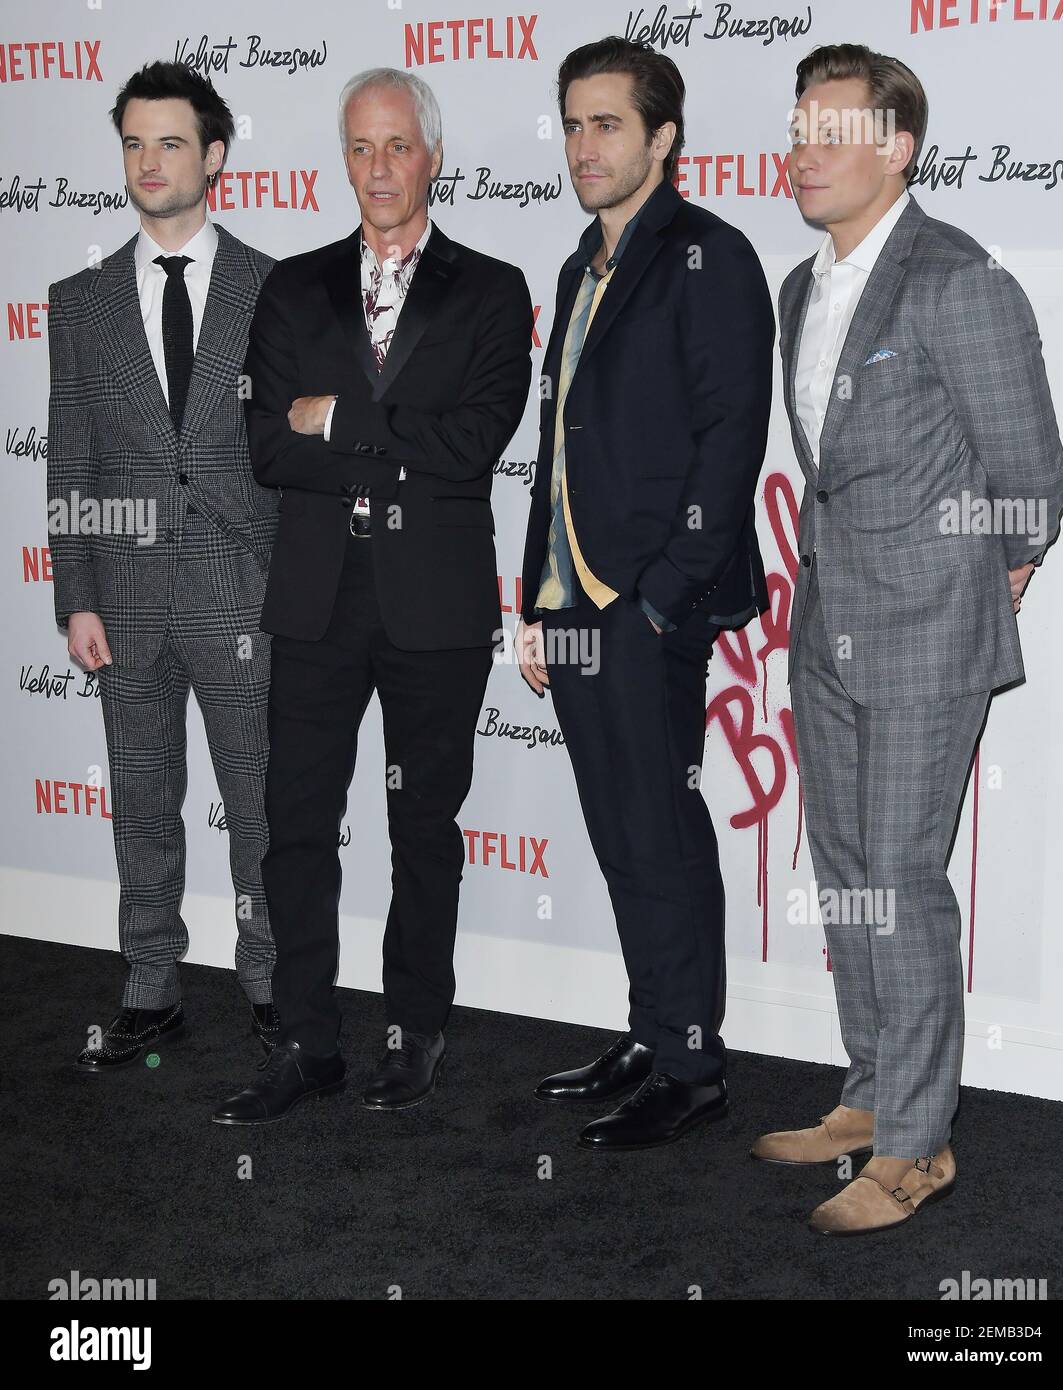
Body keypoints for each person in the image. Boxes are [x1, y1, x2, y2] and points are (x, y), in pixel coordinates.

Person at [751, 43, 1063, 1235]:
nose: (805, 150)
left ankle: (921, 1145)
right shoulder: (799, 287)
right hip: (825, 626)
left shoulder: (957, 278)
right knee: (846, 878)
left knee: (899, 879)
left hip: (927, 634)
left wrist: (969, 583)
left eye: (834, 129)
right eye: (796, 127)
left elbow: (1033, 483)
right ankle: (875, 1097)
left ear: (899, 147)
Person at [214, 68, 533, 1126]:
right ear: (342, 159)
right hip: (313, 600)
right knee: (293, 822)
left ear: (432, 155)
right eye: (360, 148)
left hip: (432, 603)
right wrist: (352, 438)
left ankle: (412, 1029)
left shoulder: (491, 289)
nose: (379, 168)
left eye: (398, 146)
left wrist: (337, 421)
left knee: (421, 825)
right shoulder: (292, 287)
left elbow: (472, 447)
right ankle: (307, 1040)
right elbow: (263, 447)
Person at [516, 36, 774, 1152]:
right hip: (572, 607)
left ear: (664, 138)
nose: (585, 145)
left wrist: (660, 598)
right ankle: (649, 1025)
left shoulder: (714, 255)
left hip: (649, 607)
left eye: (607, 123)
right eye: (572, 123)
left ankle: (693, 1064)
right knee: (619, 829)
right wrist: (537, 596)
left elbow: (730, 443)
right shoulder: (581, 266)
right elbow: (557, 446)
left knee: (661, 830)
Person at [47, 61, 279, 1072]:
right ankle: (149, 983)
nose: (149, 162)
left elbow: (291, 457)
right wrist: (75, 596)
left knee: (263, 805)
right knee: (142, 801)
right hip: (127, 599)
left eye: (170, 142)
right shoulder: (82, 301)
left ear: (214, 156)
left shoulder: (275, 289)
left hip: (245, 594)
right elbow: (71, 458)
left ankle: (274, 981)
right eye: (134, 144)